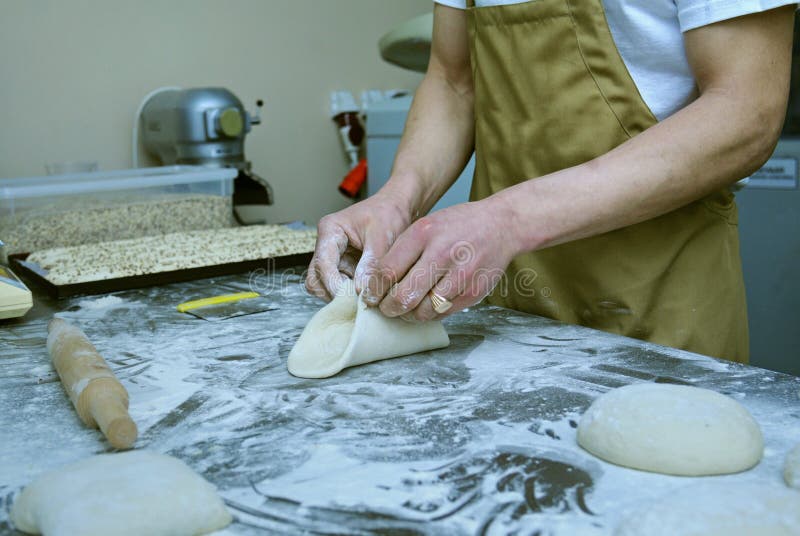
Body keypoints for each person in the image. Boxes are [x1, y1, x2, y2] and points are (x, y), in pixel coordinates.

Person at [306, 0, 796, 364]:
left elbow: (746, 109)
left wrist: (507, 219)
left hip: (658, 300)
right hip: (503, 307)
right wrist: (397, 199)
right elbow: (455, 80)